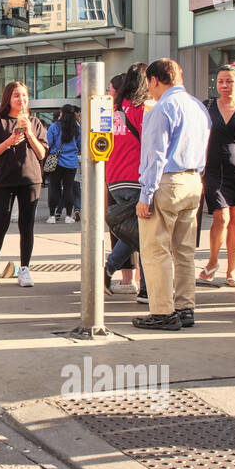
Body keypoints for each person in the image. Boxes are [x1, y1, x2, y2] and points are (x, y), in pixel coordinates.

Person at [133, 60, 210, 331]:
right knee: (185, 251)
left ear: (154, 80)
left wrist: (146, 194)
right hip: (193, 180)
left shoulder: (161, 109)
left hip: (167, 181)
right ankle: (185, 307)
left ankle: (163, 311)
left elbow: (155, 156)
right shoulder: (198, 107)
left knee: (156, 250)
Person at [0, 81, 46, 288]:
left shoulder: (35, 122)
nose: (21, 100)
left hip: (31, 179)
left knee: (27, 226)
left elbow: (42, 153)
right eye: (17, 96)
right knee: (0, 224)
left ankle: (25, 268)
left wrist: (29, 133)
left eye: (24, 96)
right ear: (8, 98)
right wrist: (9, 141)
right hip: (5, 180)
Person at [104, 62, 149, 300]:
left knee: (136, 233)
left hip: (114, 179)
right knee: (145, 234)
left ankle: (109, 269)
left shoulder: (112, 110)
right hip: (136, 177)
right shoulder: (143, 110)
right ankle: (145, 288)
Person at [199, 65, 235, 287]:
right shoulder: (207, 106)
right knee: (221, 217)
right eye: (220, 81)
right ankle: (212, 262)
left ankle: (232, 270)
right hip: (213, 170)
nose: (224, 86)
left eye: (229, 81)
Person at [45, 104, 79, 223]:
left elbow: (48, 142)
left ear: (62, 114)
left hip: (56, 161)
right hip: (72, 162)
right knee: (69, 189)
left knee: (55, 188)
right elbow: (80, 145)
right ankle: (69, 216)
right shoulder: (77, 128)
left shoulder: (54, 127)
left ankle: (52, 216)